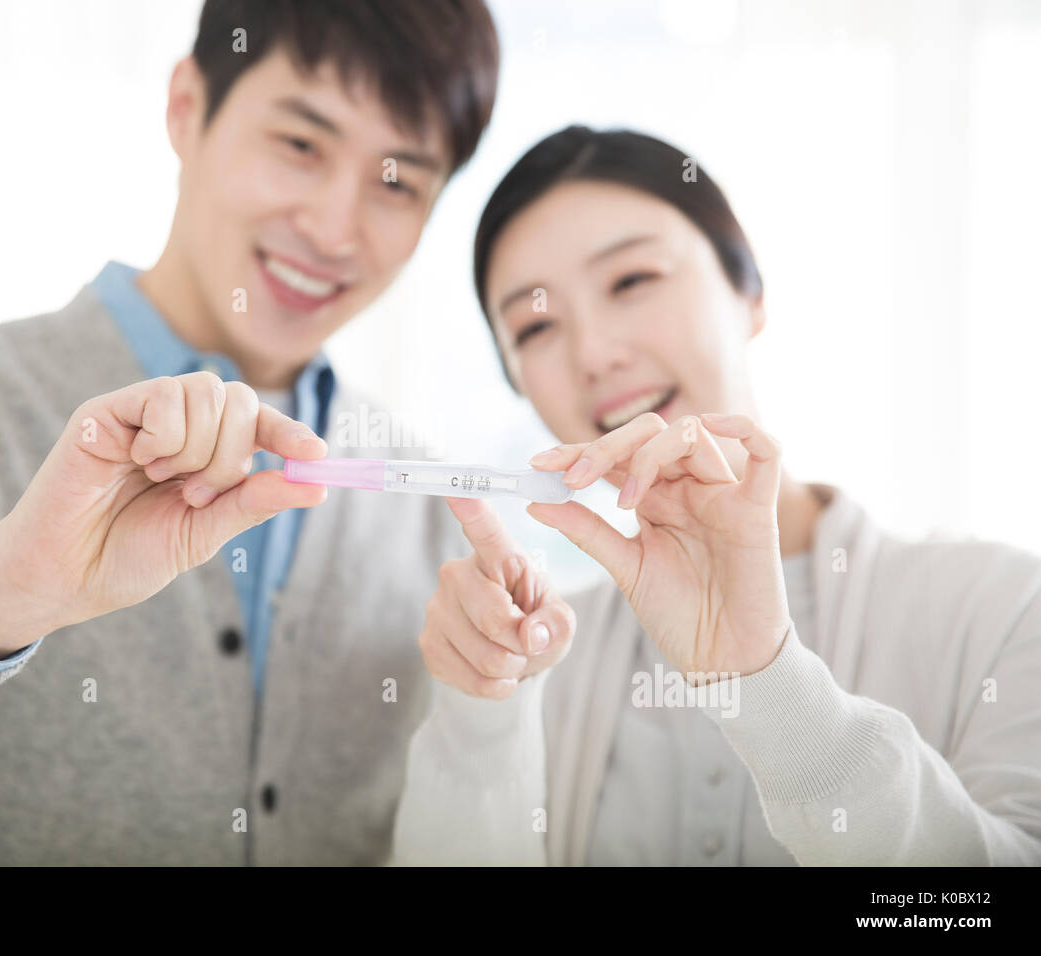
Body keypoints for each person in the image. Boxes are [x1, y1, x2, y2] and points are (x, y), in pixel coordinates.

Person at [0, 0, 498, 865]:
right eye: (300, 144)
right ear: (186, 107)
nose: (334, 228)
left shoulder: (430, 506)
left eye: (397, 180)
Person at [391, 126, 1041, 865]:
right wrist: (480, 720)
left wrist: (766, 679)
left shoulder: (1006, 608)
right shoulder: (536, 659)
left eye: (632, 281)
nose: (595, 353)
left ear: (749, 293)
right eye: (536, 326)